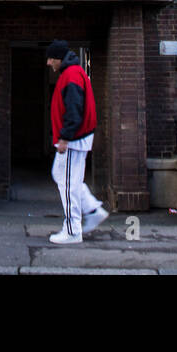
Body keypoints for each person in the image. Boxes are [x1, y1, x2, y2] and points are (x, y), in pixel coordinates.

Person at [46, 40, 109, 243]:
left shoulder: (71, 75)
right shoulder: (73, 73)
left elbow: (74, 110)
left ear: (58, 58)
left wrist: (65, 137)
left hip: (73, 140)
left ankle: (72, 230)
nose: (48, 63)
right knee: (62, 175)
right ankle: (91, 209)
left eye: (50, 58)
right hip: (76, 137)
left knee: (68, 184)